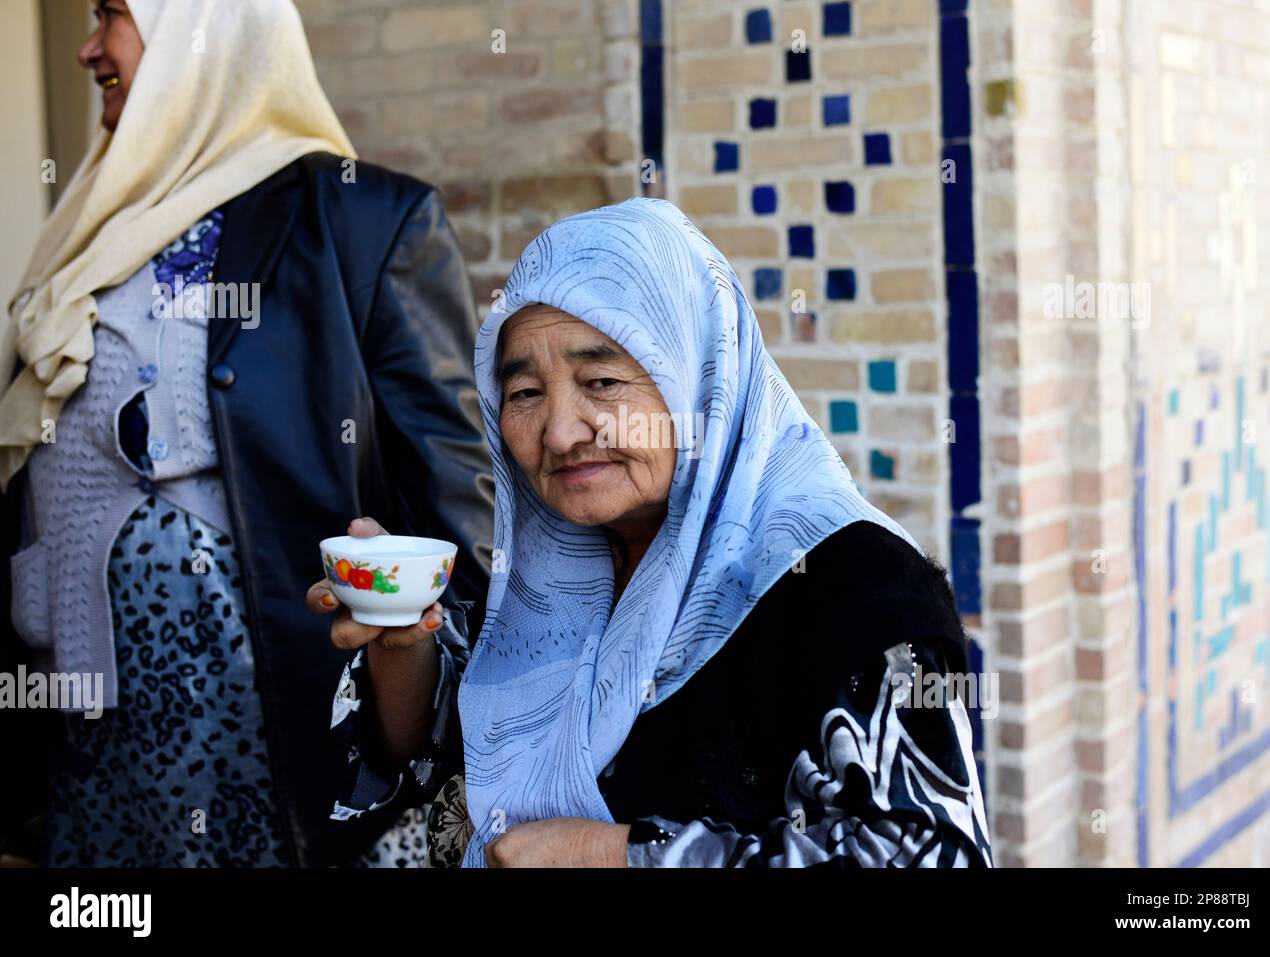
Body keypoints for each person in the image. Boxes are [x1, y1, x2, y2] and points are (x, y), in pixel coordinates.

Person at [309, 198, 994, 867]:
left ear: (701, 382)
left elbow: (936, 851)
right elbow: (431, 761)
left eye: (601, 380)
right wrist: (401, 643)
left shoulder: (857, 586)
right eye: (524, 393)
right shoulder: (550, 573)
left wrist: (625, 853)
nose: (559, 431)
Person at [0, 0, 493, 868]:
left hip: (284, 753)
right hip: (99, 752)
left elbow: (459, 516)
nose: (87, 48)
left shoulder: (362, 223)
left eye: (111, 14)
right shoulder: (90, 235)